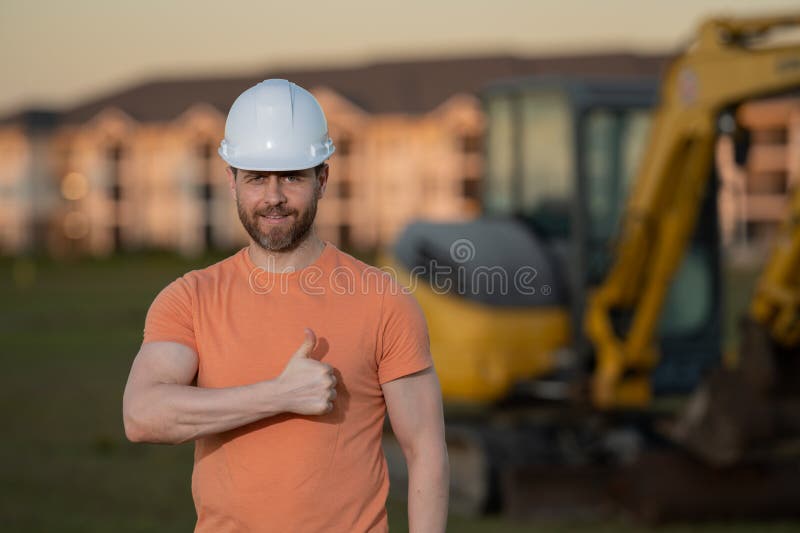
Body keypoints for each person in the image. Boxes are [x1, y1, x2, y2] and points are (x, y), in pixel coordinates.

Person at [122, 79, 449, 532]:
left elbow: (426, 450)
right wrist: (279, 395)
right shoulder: (190, 298)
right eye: (257, 177)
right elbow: (142, 416)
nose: (273, 196)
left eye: (292, 176)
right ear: (232, 181)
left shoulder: (383, 299)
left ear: (323, 179)